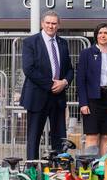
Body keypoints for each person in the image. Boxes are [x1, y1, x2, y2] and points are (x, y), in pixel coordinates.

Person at [20, 10, 74, 160]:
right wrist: (51, 84)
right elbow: (28, 69)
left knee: (60, 139)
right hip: (37, 96)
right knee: (34, 138)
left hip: (58, 98)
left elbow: (69, 69)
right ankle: (31, 170)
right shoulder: (30, 42)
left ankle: (59, 170)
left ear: (58, 25)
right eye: (48, 23)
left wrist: (64, 82)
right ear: (42, 23)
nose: (51, 26)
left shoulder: (63, 43)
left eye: (54, 23)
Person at [76, 24, 107, 154]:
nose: (103, 35)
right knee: (92, 135)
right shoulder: (86, 53)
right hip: (92, 100)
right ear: (96, 35)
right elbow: (80, 80)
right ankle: (90, 167)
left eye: (106, 33)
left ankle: (103, 170)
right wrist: (83, 103)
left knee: (106, 136)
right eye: (100, 33)